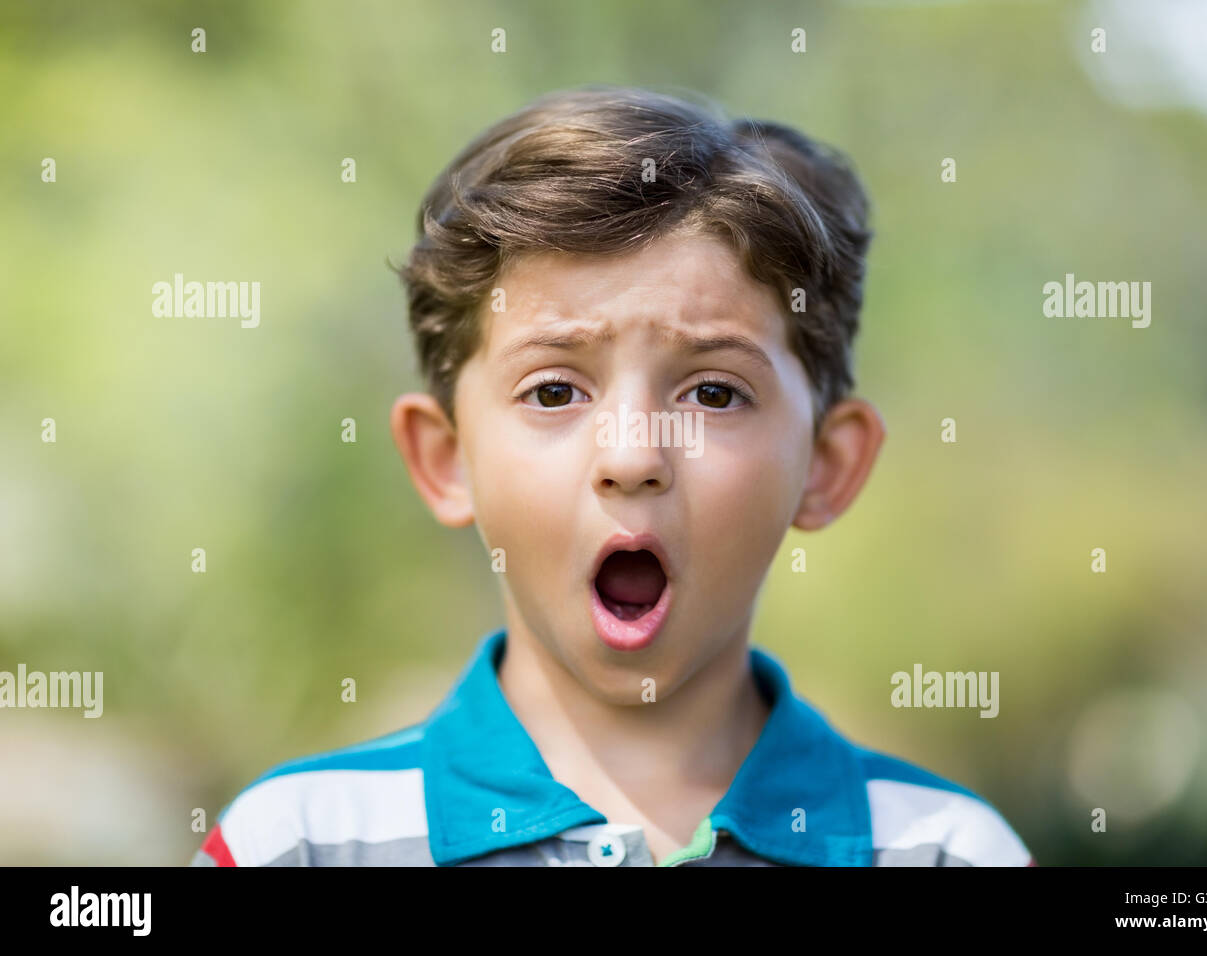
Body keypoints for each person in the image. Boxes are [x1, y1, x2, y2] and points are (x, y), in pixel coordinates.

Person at [191, 85, 1033, 867]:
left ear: (825, 464)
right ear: (446, 460)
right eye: (554, 390)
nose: (633, 456)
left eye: (713, 392)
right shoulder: (295, 845)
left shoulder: (948, 851)